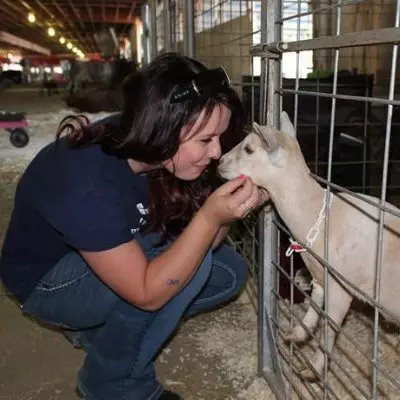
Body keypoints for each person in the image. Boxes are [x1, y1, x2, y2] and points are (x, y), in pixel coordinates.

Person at [0, 53, 268, 400]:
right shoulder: (83, 180)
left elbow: (205, 240)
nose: (216, 152)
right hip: (47, 282)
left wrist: (222, 215)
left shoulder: (153, 148)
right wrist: (209, 217)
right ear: (163, 127)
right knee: (180, 271)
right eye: (205, 140)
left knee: (227, 272)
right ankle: (110, 384)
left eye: (218, 138)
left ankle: (103, 333)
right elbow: (149, 291)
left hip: (111, 254)